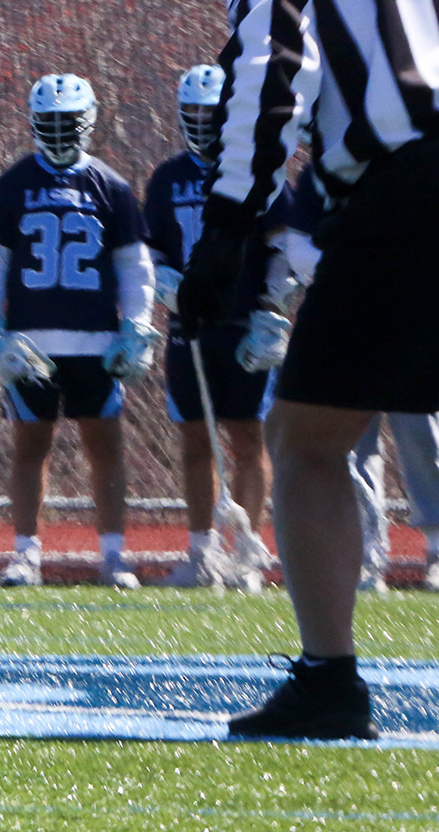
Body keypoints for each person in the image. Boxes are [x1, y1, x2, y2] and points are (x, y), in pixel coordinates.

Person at [180, 0, 439, 739]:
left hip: (411, 192)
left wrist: (227, 228)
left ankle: (330, 679)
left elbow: (270, 84)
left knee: (307, 442)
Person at [0, 74, 155, 590]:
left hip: (95, 339)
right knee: (30, 445)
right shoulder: (14, 183)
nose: (58, 131)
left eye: (67, 121)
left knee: (106, 446)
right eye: (49, 122)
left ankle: (114, 555)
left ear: (89, 121)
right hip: (28, 342)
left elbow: (133, 267)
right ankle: (27, 554)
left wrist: (138, 326)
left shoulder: (110, 186)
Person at [273, 165, 439, 596]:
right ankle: (368, 553)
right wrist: (362, 272)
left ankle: (437, 550)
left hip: (415, 319)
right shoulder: (325, 170)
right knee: (353, 446)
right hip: (346, 318)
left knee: (422, 437)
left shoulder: (423, 164)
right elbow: (299, 248)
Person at [141, 64, 286, 589]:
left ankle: (247, 553)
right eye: (194, 113)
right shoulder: (167, 177)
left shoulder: (258, 169)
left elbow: (282, 246)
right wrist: (163, 283)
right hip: (190, 326)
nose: (202, 121)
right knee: (195, 437)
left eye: (212, 112)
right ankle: (202, 552)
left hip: (242, 321)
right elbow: (150, 249)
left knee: (248, 437)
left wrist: (273, 303)